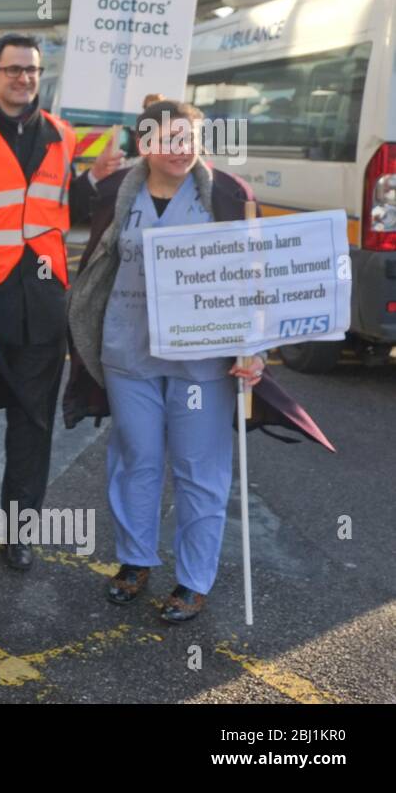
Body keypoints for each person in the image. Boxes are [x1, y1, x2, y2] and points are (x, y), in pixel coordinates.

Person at [63, 99, 333, 621]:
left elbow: (256, 270)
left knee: (197, 469)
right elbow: (96, 256)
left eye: (188, 138)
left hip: (201, 360)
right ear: (145, 144)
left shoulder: (228, 193)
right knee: (135, 461)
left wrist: (255, 345)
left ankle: (192, 579)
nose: (180, 149)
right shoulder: (118, 190)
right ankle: (135, 561)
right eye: (168, 139)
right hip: (128, 352)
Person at [0, 34, 119, 571]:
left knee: (31, 424)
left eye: (32, 70)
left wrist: (93, 182)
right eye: (13, 69)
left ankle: (17, 529)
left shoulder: (63, 135)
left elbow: (70, 208)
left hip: (41, 302)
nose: (23, 78)